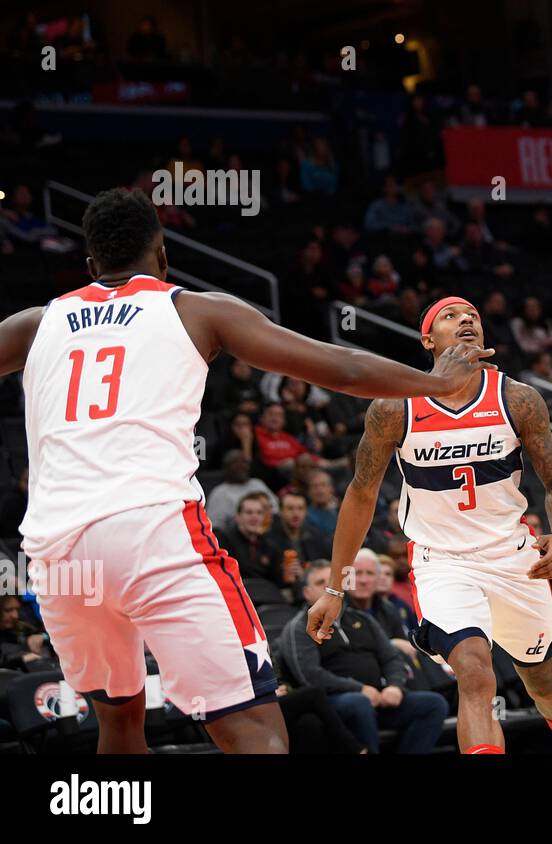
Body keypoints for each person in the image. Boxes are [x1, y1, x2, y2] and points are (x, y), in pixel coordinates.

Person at [0, 188, 491, 754]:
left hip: (58, 556)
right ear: (163, 257)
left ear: (89, 267)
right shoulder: (194, 308)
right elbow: (343, 367)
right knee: (251, 730)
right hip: (152, 534)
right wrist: (436, 382)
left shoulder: (38, 323)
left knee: (117, 725)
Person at [308, 296, 552, 755]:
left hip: (514, 558)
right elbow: (360, 495)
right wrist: (335, 588)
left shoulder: (517, 399)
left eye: (473, 316)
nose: (466, 321)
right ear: (428, 339)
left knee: (543, 683)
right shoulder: (394, 408)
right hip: (442, 562)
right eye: (451, 316)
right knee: (476, 674)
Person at [281, 561, 448, 754]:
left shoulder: (363, 619)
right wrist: (359, 689)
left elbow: (391, 658)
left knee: (433, 704)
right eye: (321, 583)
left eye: (332, 582)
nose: (329, 589)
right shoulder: (300, 627)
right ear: (307, 593)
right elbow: (310, 675)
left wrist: (395, 686)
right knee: (358, 703)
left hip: (378, 696)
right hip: (334, 703)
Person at [206, 448, 280, 530]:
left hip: (266, 532)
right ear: (226, 467)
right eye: (236, 463)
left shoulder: (257, 484)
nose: (242, 466)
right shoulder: (220, 493)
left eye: (244, 462)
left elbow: (275, 510)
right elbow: (215, 526)